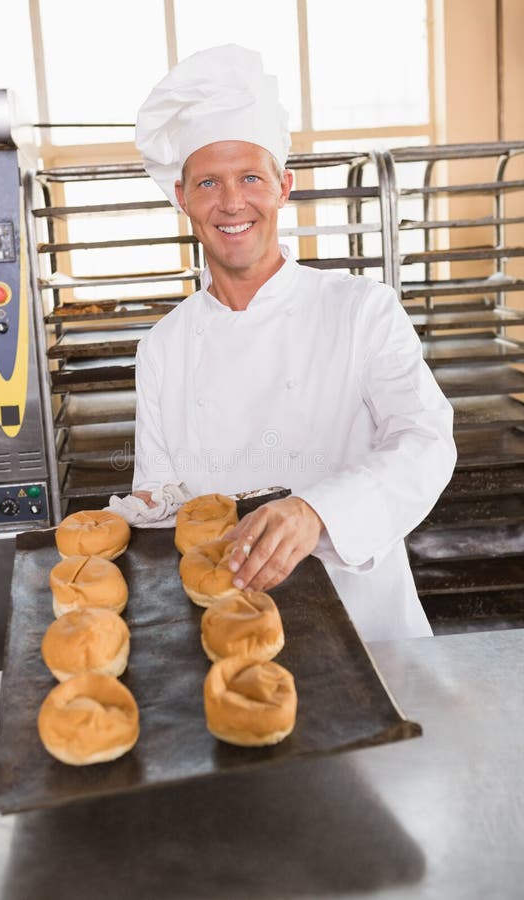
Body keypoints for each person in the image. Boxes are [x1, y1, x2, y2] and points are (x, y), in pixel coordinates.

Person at [131, 44, 457, 642]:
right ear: (183, 199)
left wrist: (317, 511)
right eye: (208, 183)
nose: (231, 203)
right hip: (227, 633)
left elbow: (427, 442)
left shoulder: (361, 310)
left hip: (366, 627)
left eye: (250, 178)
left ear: (284, 187)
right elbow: (161, 503)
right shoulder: (162, 348)